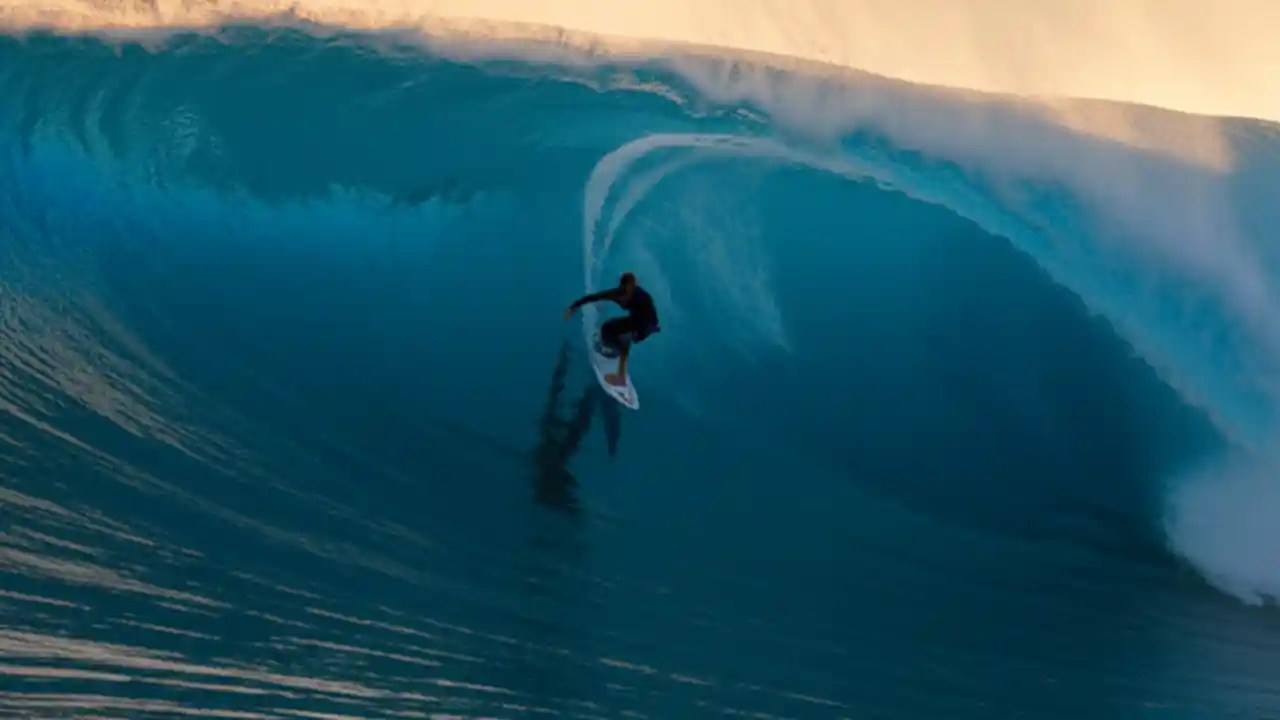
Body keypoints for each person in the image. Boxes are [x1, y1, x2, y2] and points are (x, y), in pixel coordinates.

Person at [563, 272, 660, 386]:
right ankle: (614, 350)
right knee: (607, 327)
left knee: (624, 337)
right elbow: (595, 297)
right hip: (636, 320)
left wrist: (642, 332)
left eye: (632, 290)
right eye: (627, 291)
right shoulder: (616, 294)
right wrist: (573, 307)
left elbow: (652, 318)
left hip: (647, 325)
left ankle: (621, 378)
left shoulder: (642, 298)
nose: (629, 294)